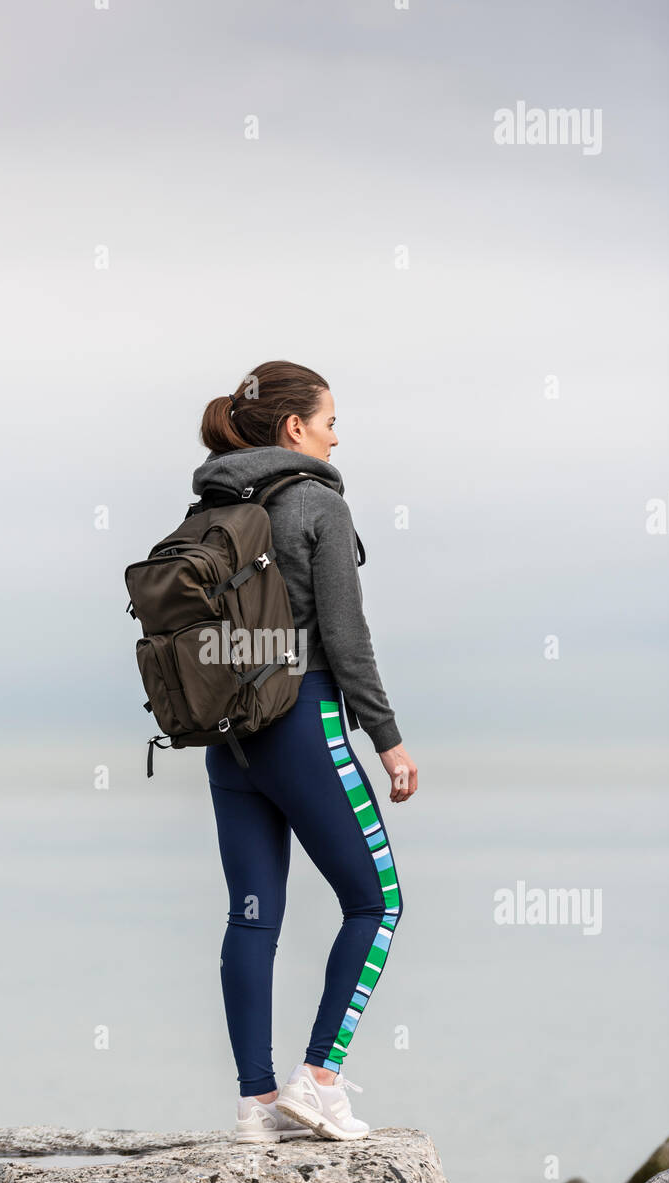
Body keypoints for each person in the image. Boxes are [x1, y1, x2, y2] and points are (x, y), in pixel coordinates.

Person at [194, 360, 418, 1142]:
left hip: (231, 742)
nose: (334, 433)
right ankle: (318, 1078)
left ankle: (254, 1106)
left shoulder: (216, 502)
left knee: (252, 919)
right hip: (304, 724)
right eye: (328, 421)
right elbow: (346, 640)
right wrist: (387, 742)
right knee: (377, 901)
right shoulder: (315, 502)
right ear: (294, 428)